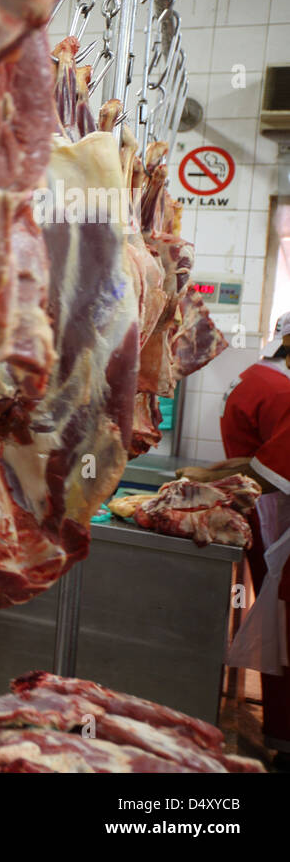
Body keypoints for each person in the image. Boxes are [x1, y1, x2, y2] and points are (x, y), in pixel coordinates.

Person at [179, 312, 290, 765]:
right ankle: (285, 739)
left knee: (276, 622)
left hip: (265, 522)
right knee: (282, 628)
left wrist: (211, 475)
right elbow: (269, 471)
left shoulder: (254, 377)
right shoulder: (281, 390)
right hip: (276, 523)